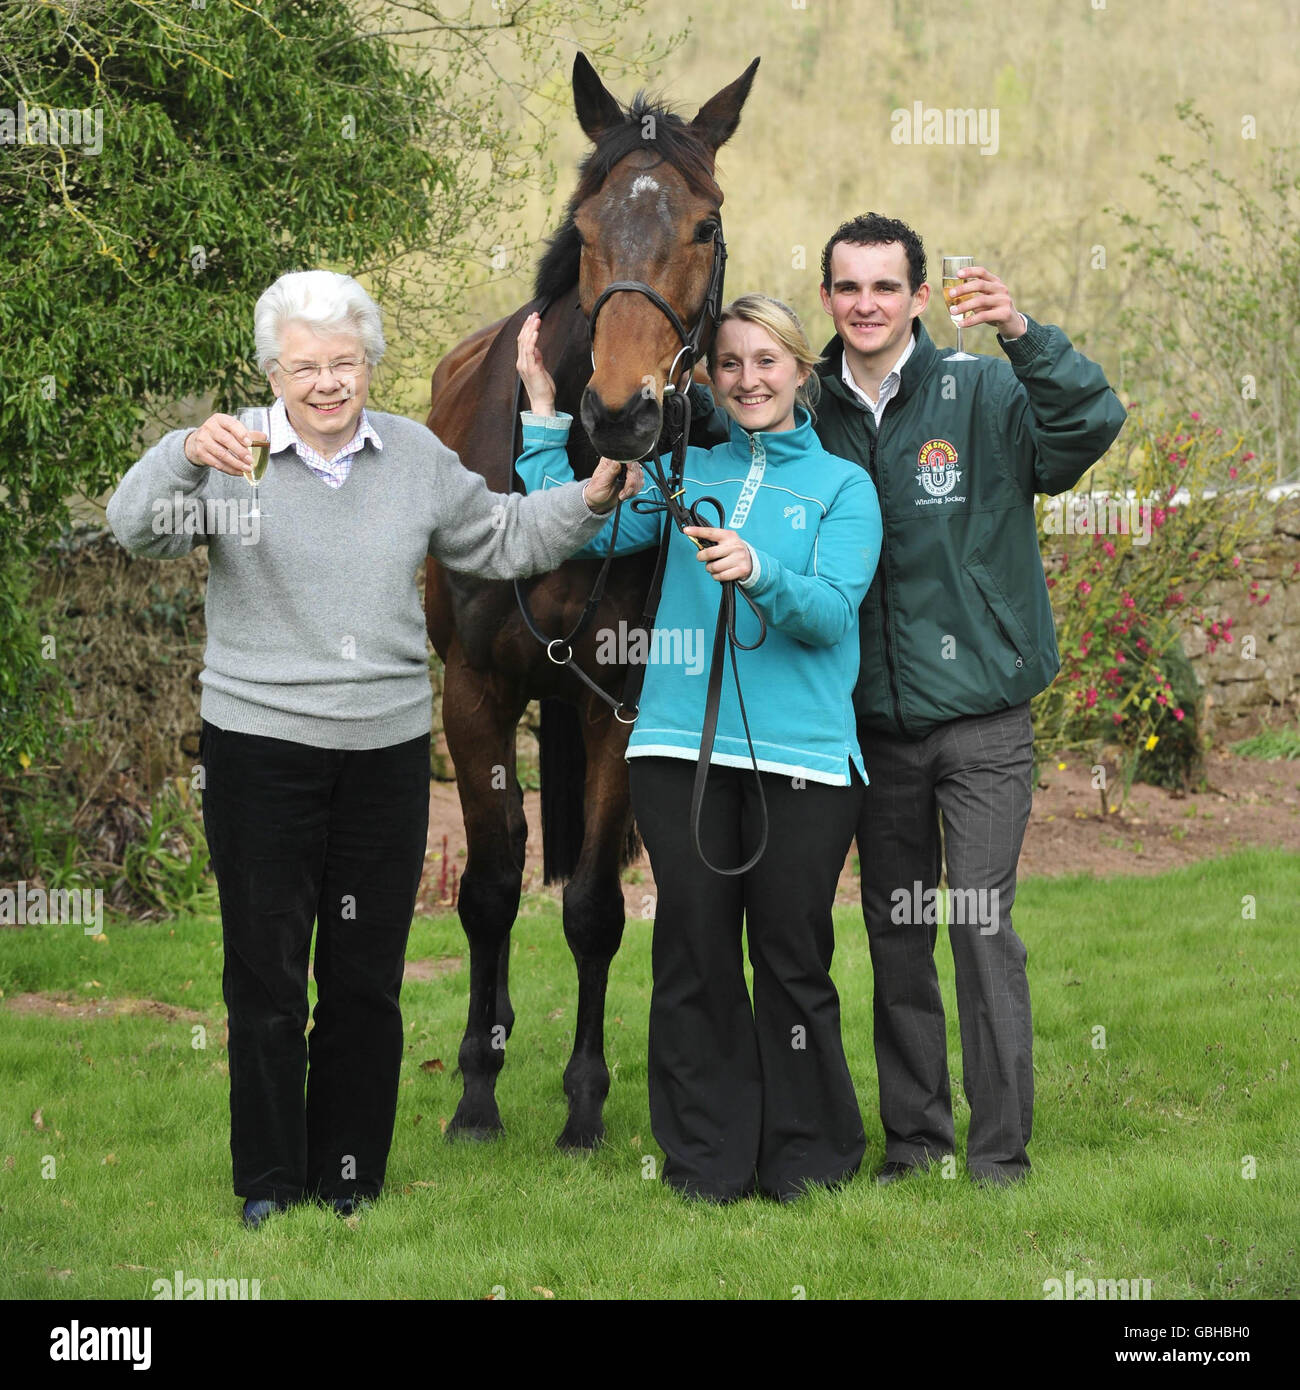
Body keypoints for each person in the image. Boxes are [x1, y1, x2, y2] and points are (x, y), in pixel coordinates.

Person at [105, 269, 639, 1227]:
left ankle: (348, 1180)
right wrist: (182, 452)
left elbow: (506, 537)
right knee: (266, 975)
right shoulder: (237, 454)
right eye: (305, 366)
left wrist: (595, 493)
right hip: (260, 751)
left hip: (382, 755)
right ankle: (269, 1185)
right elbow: (134, 528)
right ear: (273, 369)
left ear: (368, 365)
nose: (325, 382)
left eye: (343, 363)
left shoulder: (417, 459)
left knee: (363, 980)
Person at [513, 295, 883, 1202]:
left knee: (793, 962)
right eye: (729, 364)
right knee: (693, 955)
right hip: (678, 753)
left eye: (767, 361)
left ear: (802, 371)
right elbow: (581, 521)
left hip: (804, 764)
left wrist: (761, 572)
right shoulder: (688, 471)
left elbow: (832, 612)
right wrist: (541, 416)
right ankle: (707, 1162)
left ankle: (808, 1158)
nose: (748, 379)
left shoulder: (843, 488)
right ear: (705, 379)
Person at [811, 213, 1128, 1185]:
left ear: (915, 296)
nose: (866, 304)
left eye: (884, 286)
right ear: (827, 297)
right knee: (896, 932)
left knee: (979, 926)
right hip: (871, 727)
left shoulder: (982, 388)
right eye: (847, 287)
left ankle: (998, 1156)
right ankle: (914, 1144)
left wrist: (1024, 331)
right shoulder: (808, 411)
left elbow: (1089, 424)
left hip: (983, 720)